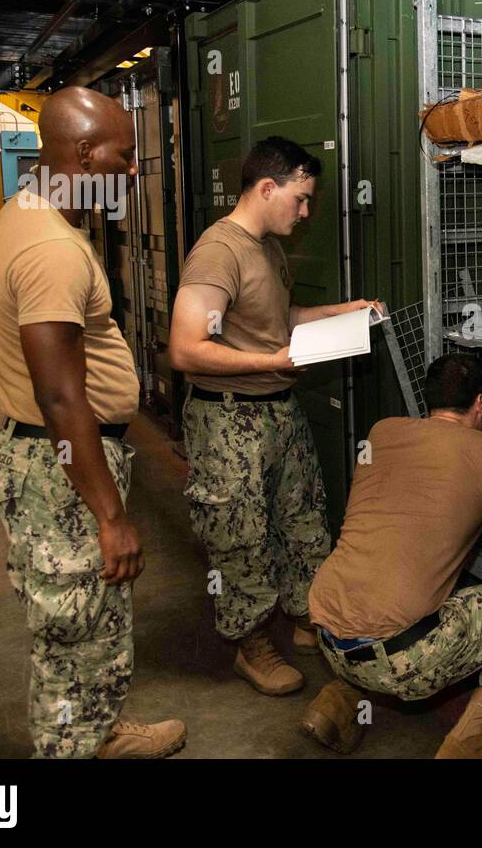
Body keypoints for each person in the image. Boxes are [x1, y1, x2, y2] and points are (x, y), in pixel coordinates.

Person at [0, 86, 185, 758]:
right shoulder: (52, 251)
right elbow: (61, 397)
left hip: (53, 459)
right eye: (123, 157)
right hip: (61, 469)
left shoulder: (25, 215)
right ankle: (73, 744)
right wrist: (110, 516)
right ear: (84, 150)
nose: (130, 171)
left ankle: (100, 731)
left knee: (91, 626)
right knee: (71, 638)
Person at [169, 135, 379, 696]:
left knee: (302, 521)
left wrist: (344, 311)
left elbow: (276, 318)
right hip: (228, 422)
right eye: (301, 198)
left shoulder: (266, 246)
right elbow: (187, 348)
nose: (306, 211)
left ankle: (305, 617)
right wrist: (272, 362)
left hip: (276, 414)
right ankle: (250, 644)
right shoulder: (219, 252)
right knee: (240, 536)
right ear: (268, 187)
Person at [298, 353, 482, 755]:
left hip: (326, 633)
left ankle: (334, 707)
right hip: (403, 664)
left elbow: (429, 483)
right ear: (480, 403)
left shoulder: (381, 432)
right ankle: (466, 747)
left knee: (383, 595)